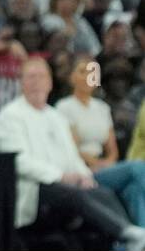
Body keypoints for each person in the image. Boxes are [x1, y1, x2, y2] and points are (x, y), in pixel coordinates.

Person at [0, 57, 145, 249]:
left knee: (102, 191)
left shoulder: (56, 117)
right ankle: (128, 234)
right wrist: (61, 176)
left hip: (67, 182)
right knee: (72, 194)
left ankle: (129, 240)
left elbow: (72, 156)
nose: (37, 82)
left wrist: (84, 176)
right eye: (31, 77)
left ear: (50, 82)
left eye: (41, 76)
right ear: (21, 82)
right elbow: (17, 161)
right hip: (36, 187)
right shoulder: (9, 116)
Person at [55, 55, 145, 226]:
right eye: (83, 71)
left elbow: (112, 149)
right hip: (82, 170)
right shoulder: (64, 107)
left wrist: (108, 162)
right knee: (138, 167)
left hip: (104, 167)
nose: (89, 76)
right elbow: (71, 148)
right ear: (71, 77)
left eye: (93, 72)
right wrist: (96, 163)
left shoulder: (102, 108)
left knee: (134, 190)